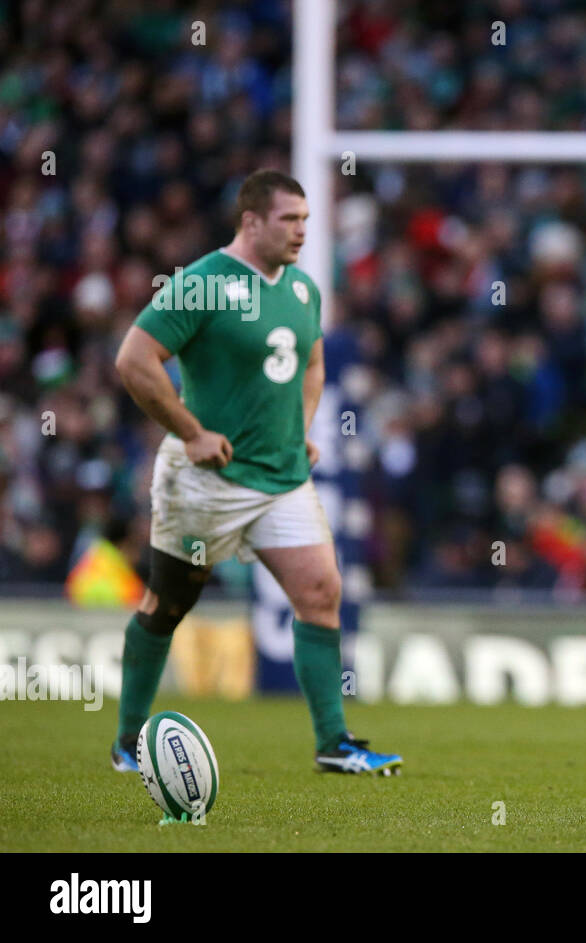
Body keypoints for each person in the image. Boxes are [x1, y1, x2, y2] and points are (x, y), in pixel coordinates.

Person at [112, 169, 402, 775]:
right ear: (250, 221)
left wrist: (299, 428)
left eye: (305, 220)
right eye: (288, 220)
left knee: (320, 594)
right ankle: (128, 741)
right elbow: (135, 359)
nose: (301, 231)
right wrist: (190, 431)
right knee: (168, 605)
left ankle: (333, 743)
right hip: (205, 484)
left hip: (283, 478)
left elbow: (312, 362)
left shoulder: (302, 290)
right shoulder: (202, 284)